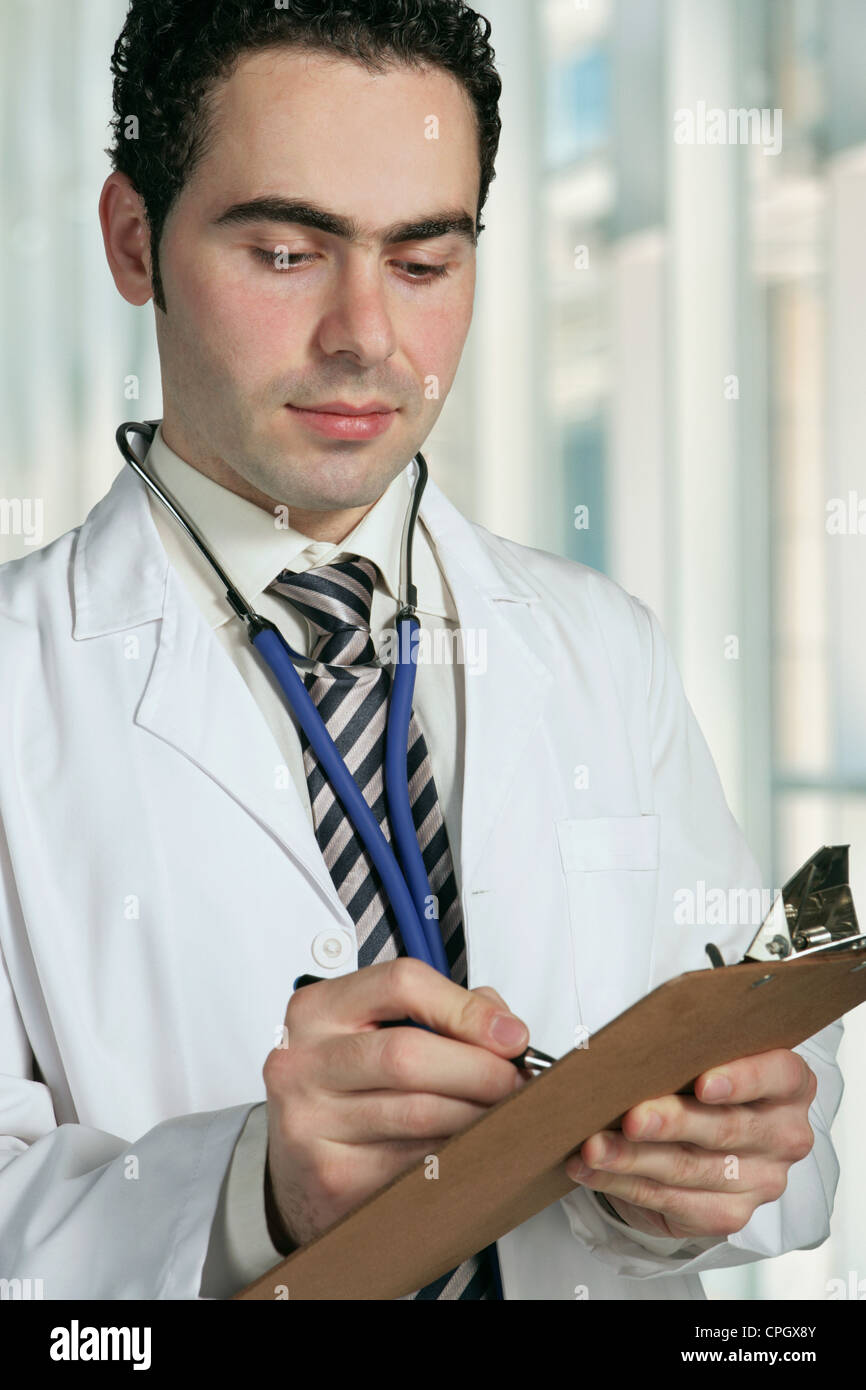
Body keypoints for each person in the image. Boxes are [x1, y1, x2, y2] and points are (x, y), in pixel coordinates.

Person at [0, 0, 841, 1302]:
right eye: (285, 251)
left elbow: (778, 1122)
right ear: (132, 239)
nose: (364, 336)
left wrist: (722, 1165)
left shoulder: (595, 644)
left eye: (422, 261)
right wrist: (248, 1193)